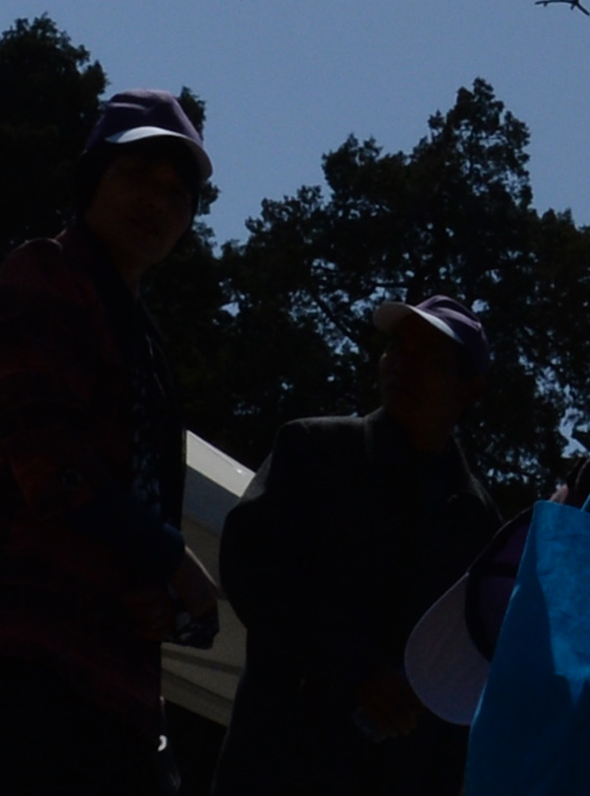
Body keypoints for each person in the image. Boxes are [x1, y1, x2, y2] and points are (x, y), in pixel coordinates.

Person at [0, 87, 225, 795]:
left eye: (178, 194)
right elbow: (51, 464)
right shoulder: (46, 274)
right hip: (14, 667)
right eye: (137, 175)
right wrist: (174, 563)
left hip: (107, 694)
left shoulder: (144, 340)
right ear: (92, 178)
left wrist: (166, 600)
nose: (157, 203)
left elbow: (137, 498)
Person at [213, 295, 504, 795]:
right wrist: (354, 669)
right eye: (396, 348)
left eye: (428, 357)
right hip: (276, 764)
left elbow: (464, 684)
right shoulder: (312, 451)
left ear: (470, 389)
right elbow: (253, 573)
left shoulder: (478, 528)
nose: (402, 365)